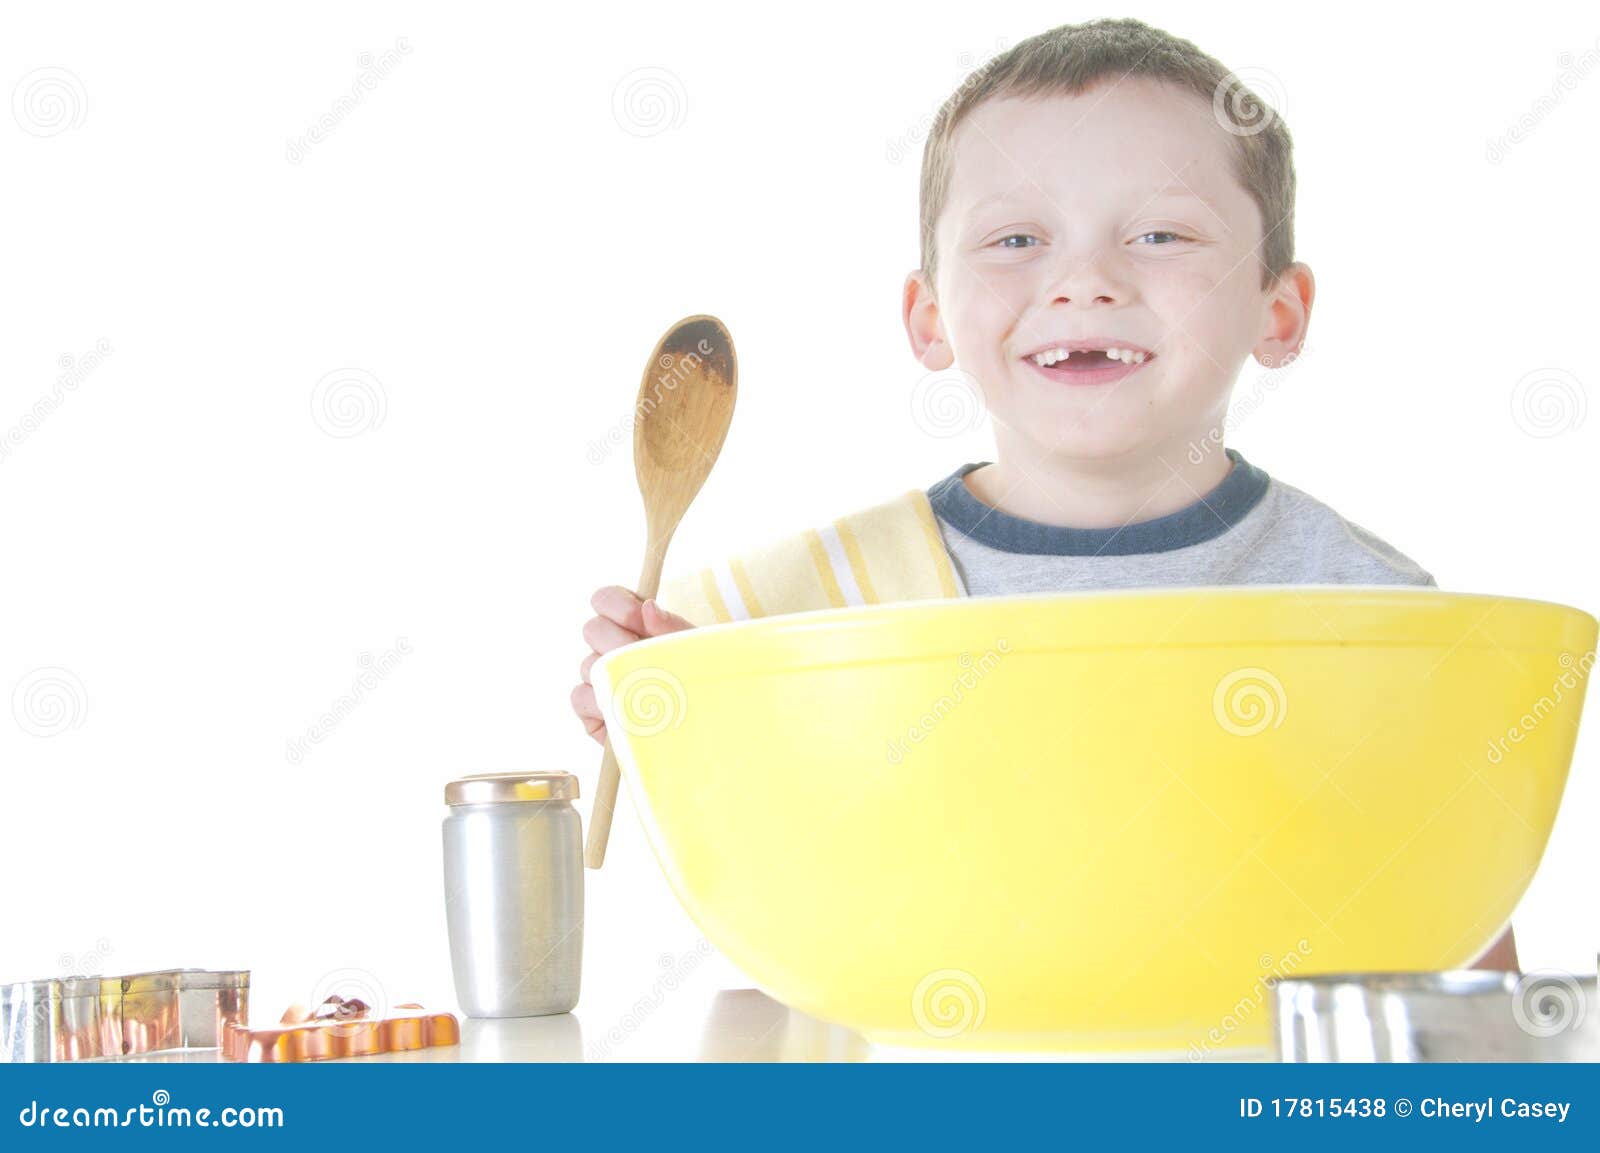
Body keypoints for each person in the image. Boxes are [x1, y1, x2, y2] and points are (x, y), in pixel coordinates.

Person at [571, 17, 1519, 972]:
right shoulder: (799, 611)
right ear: (930, 317)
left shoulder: (1381, 616)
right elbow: (787, 916)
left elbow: (1464, 991)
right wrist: (688, 725)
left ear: (1281, 310)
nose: (1084, 282)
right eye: (1017, 238)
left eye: (1161, 233)